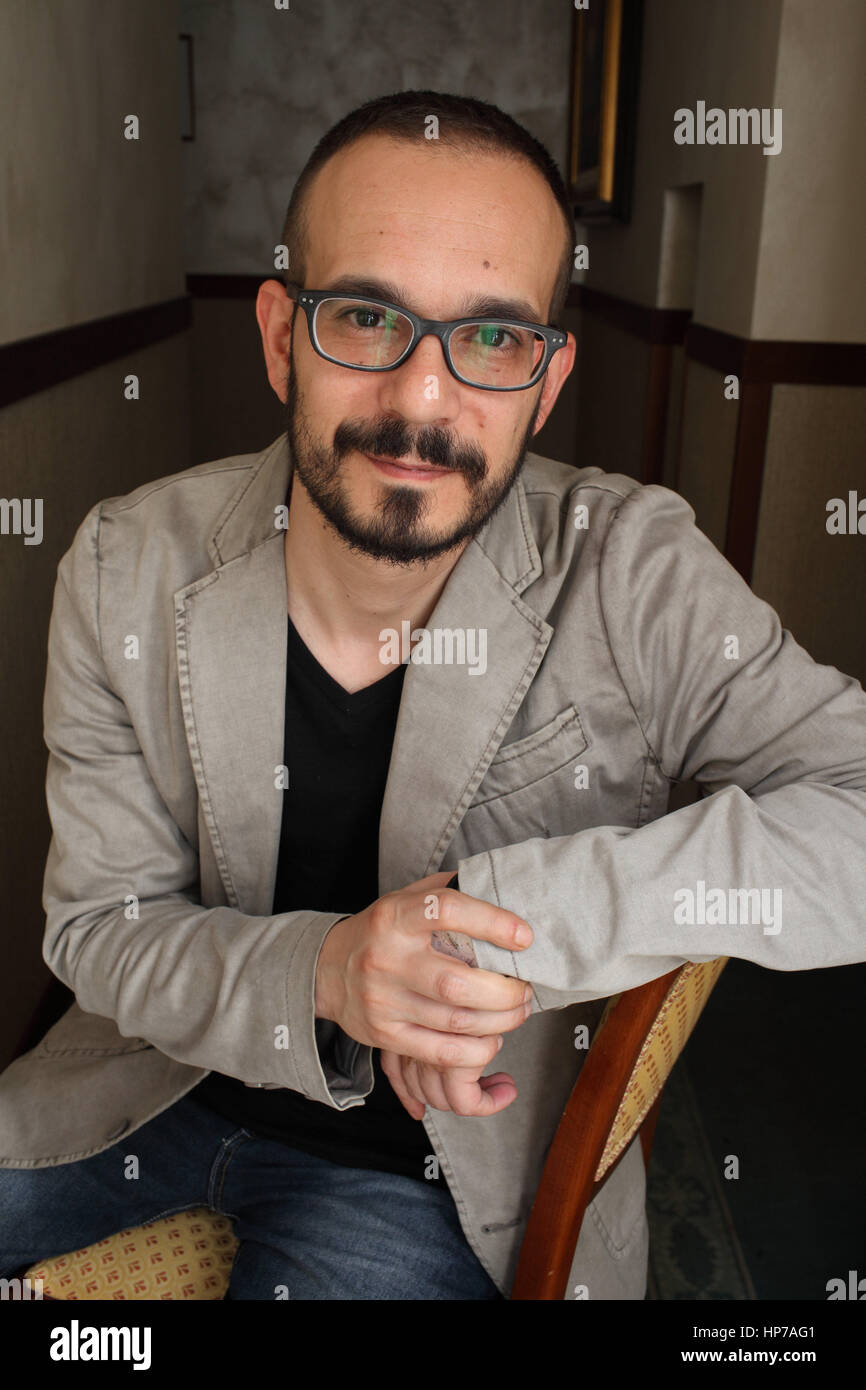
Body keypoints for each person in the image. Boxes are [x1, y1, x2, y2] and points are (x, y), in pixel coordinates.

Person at [1, 90, 864, 1302]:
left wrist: (489, 919)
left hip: (430, 1174)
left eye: (493, 339)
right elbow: (98, 930)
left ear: (546, 379)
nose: (421, 400)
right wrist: (331, 973)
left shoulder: (631, 568)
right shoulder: (122, 563)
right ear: (279, 337)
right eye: (364, 315)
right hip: (149, 1086)